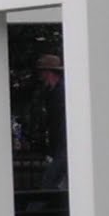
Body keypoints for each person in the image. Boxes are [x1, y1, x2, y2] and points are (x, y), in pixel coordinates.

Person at [33, 54, 68, 191]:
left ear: (48, 73)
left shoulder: (60, 92)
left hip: (63, 147)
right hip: (60, 147)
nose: (41, 76)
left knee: (49, 183)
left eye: (42, 72)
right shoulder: (51, 92)